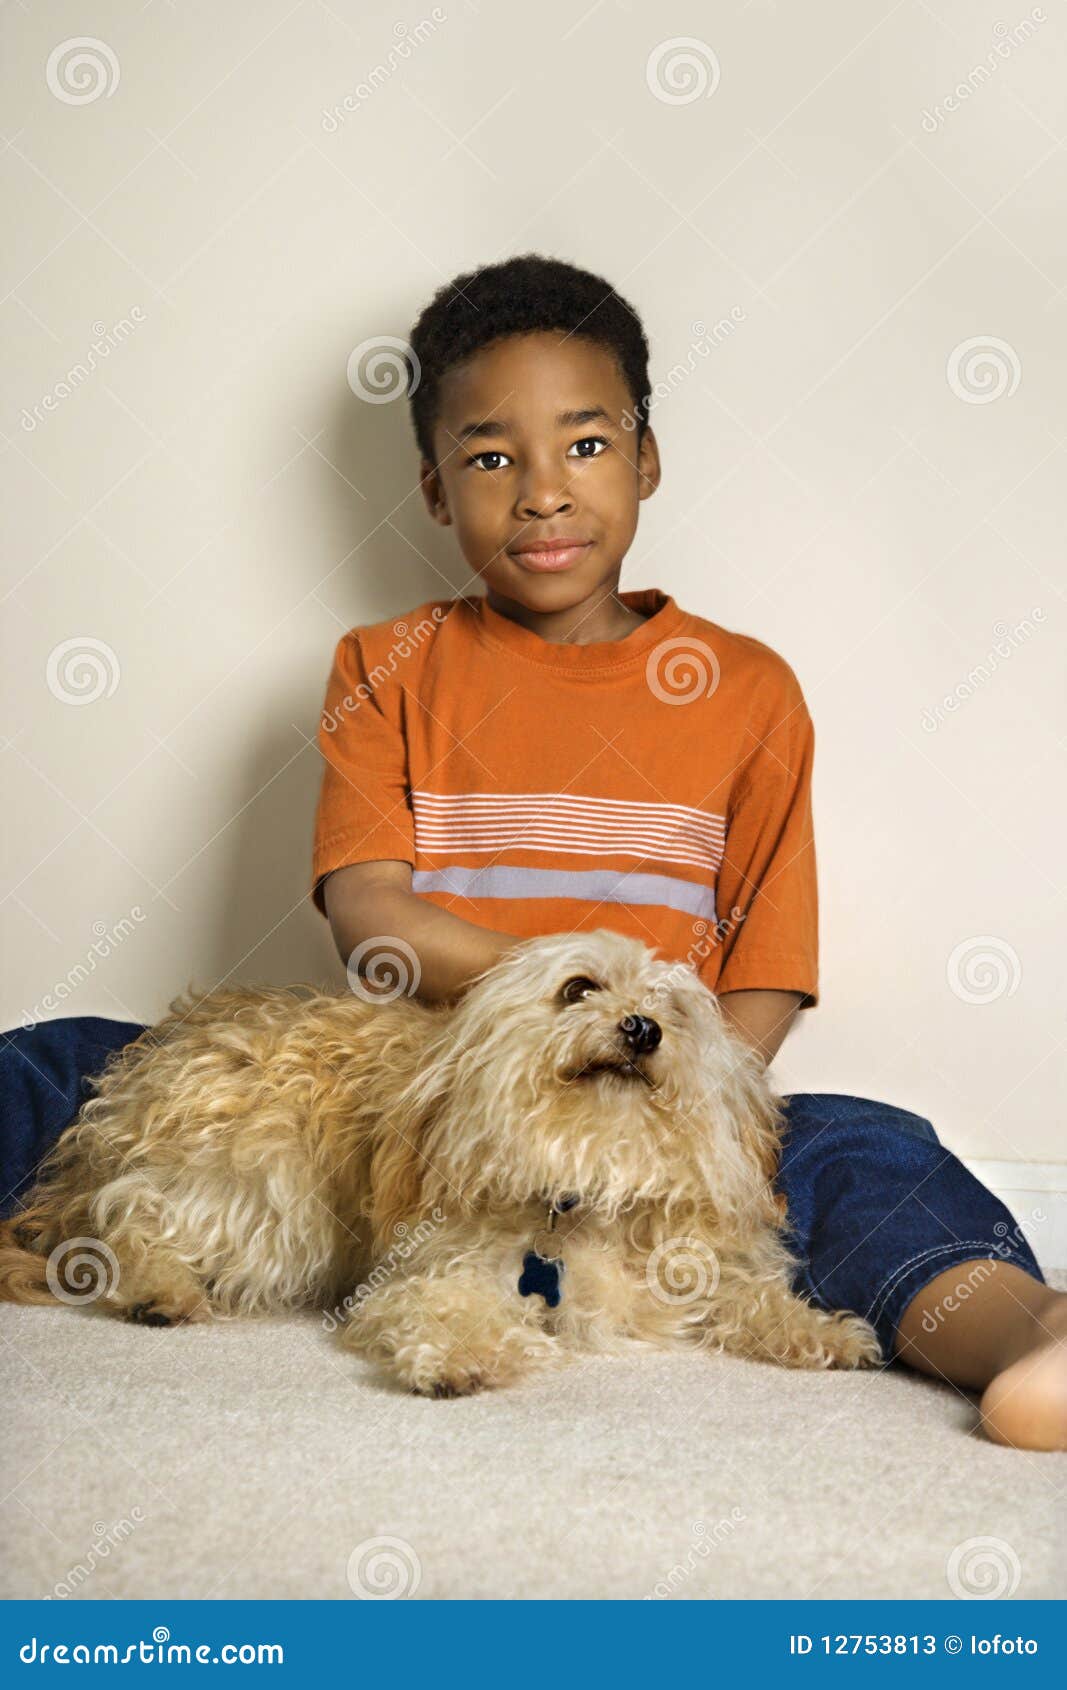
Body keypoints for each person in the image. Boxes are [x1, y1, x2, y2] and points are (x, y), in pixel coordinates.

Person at [4, 255, 1064, 1450]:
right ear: (434, 488)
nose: (543, 493)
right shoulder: (385, 663)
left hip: (677, 1093)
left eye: (586, 445)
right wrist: (549, 1009)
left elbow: (763, 964)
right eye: (492, 456)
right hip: (430, 1071)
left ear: (647, 460)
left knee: (863, 1148)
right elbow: (372, 923)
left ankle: (1026, 1331)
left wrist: (697, 1103)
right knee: (81, 1060)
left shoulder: (750, 691)